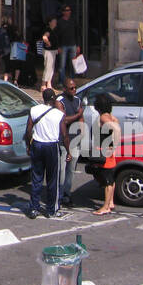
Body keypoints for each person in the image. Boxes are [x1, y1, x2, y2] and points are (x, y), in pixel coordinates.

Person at [25, 88, 63, 219]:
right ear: (53, 99)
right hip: (51, 146)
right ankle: (51, 209)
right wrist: (68, 151)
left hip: (37, 144)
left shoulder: (34, 110)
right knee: (52, 180)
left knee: (37, 178)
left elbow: (29, 129)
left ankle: (33, 208)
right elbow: (64, 134)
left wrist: (29, 145)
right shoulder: (58, 114)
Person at [56, 78, 84, 209]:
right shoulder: (59, 101)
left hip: (75, 140)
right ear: (65, 89)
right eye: (71, 88)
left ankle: (67, 194)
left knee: (71, 170)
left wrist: (82, 133)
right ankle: (59, 195)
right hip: (63, 141)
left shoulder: (77, 100)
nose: (74, 90)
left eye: (75, 88)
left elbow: (81, 119)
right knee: (62, 170)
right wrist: (78, 115)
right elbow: (64, 120)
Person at [93, 93, 120, 215]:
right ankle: (111, 202)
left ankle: (105, 207)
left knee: (106, 180)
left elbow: (116, 129)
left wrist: (110, 146)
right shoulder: (111, 116)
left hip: (105, 152)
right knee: (111, 178)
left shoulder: (104, 118)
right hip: (110, 151)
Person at [52, 5, 79, 82]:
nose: (68, 12)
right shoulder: (60, 22)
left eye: (69, 10)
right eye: (66, 10)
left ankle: (72, 80)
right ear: (63, 12)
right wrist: (58, 46)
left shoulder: (73, 20)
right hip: (63, 45)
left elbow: (77, 33)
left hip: (73, 44)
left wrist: (78, 45)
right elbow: (57, 35)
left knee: (72, 64)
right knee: (62, 65)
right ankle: (61, 81)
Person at [38, 17, 57, 89]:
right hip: (49, 51)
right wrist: (48, 43)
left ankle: (49, 83)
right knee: (48, 67)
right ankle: (43, 84)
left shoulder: (54, 30)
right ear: (50, 22)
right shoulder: (48, 30)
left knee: (51, 68)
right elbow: (44, 37)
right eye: (54, 21)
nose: (55, 23)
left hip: (53, 51)